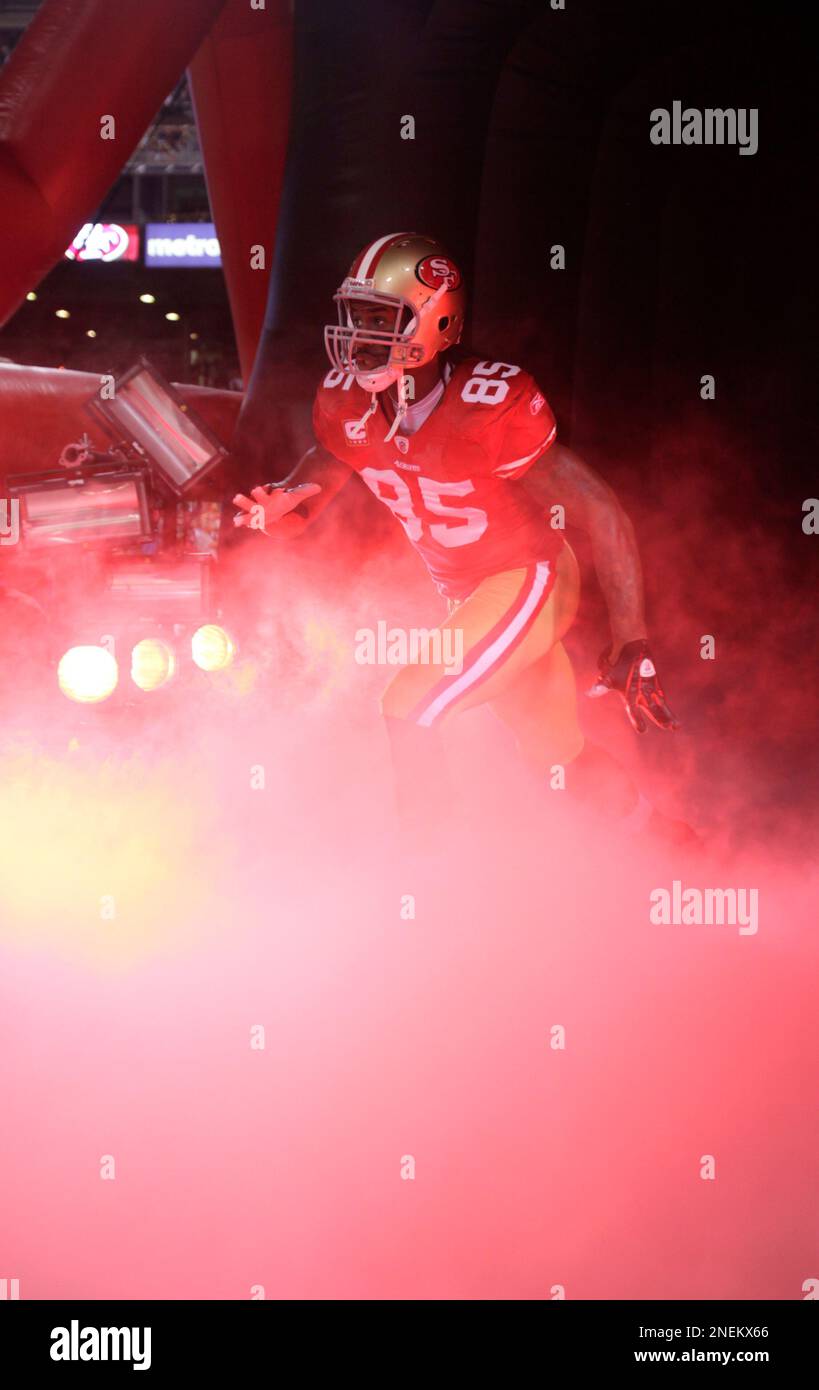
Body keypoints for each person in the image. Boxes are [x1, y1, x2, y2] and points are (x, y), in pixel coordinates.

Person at [234, 232, 692, 842]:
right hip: (473, 596)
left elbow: (603, 512)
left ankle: (432, 877)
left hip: (530, 576)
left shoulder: (490, 401)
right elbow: (306, 505)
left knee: (409, 705)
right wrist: (279, 508)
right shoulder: (348, 401)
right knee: (558, 758)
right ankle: (674, 841)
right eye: (356, 317)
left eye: (382, 319)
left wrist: (633, 642)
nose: (360, 337)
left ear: (436, 320)